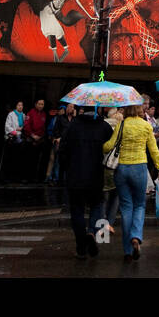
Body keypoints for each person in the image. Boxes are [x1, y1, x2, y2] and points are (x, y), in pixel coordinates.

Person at [103, 103, 159, 261]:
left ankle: (128, 251)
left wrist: (98, 145)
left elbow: (109, 146)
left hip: (122, 169)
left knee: (126, 207)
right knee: (139, 205)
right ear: (140, 110)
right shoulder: (146, 126)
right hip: (139, 168)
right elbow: (153, 149)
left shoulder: (121, 124)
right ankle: (136, 236)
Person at [60, 104, 113, 258]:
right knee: (97, 205)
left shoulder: (72, 126)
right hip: (96, 175)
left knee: (77, 210)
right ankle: (92, 231)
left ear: (81, 109)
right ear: (97, 109)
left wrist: (66, 169)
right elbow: (111, 148)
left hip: (75, 175)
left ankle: (81, 246)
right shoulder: (104, 127)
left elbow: (62, 150)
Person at [46, 102, 72, 184]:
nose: (62, 111)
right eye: (69, 107)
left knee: (62, 162)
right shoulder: (59, 118)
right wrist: (56, 138)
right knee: (54, 160)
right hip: (58, 141)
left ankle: (60, 178)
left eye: (72, 107)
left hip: (67, 143)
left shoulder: (74, 119)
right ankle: (51, 178)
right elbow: (55, 129)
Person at [27, 99, 51, 184]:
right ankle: (28, 178)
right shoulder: (31, 112)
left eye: (42, 104)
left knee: (38, 160)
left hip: (40, 140)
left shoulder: (44, 114)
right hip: (31, 139)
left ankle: (36, 178)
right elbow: (27, 126)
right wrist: (33, 135)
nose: (41, 106)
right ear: (35, 104)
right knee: (30, 159)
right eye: (39, 104)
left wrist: (40, 137)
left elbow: (44, 128)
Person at [3, 100, 27, 183]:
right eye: (19, 105)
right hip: (12, 138)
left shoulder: (24, 115)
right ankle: (7, 178)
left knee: (18, 159)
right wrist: (15, 131)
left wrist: (22, 129)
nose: (20, 106)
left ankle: (15, 178)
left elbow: (25, 126)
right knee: (9, 158)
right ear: (16, 106)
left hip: (20, 139)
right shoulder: (11, 114)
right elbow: (7, 126)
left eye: (22, 105)